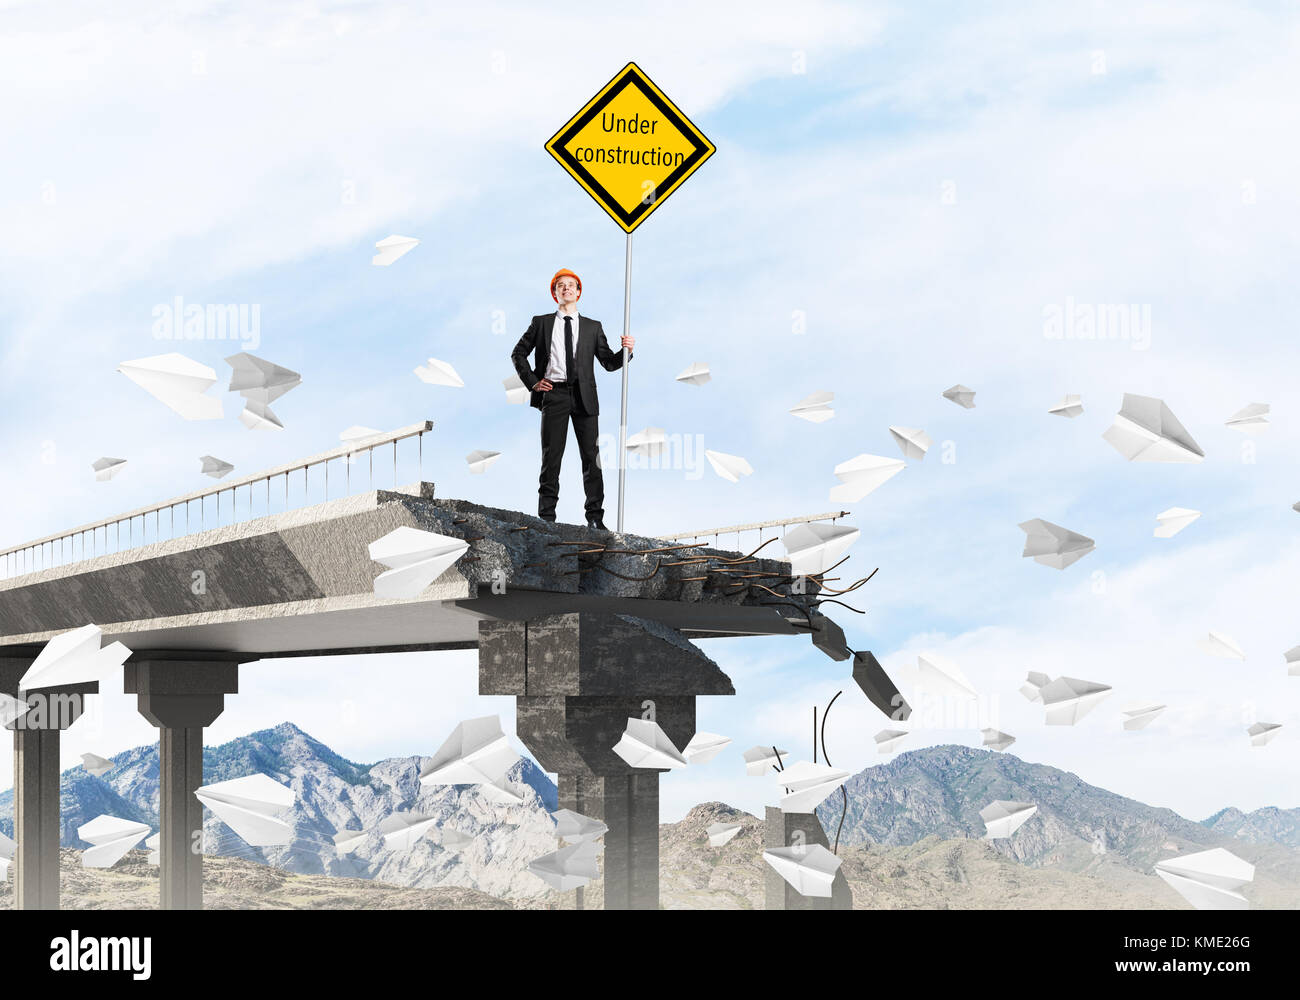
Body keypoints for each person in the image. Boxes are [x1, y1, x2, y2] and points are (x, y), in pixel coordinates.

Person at [510, 268, 634, 530]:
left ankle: (595, 518)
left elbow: (608, 363)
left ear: (578, 292)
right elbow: (518, 353)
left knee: (592, 458)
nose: (566, 288)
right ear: (555, 294)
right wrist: (533, 382)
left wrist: (626, 351)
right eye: (560, 286)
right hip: (553, 394)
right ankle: (546, 518)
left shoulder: (592, 327)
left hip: (584, 396)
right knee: (551, 457)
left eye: (571, 285)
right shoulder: (541, 323)